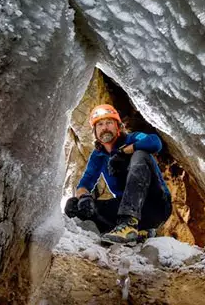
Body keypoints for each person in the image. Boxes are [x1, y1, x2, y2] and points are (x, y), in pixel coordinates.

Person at [64, 104, 172, 244]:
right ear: (95, 131)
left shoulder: (133, 138)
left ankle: (129, 225)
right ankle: (138, 232)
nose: (105, 128)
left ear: (118, 126)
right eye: (100, 124)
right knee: (73, 204)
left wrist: (125, 151)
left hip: (155, 206)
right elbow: (85, 183)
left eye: (109, 122)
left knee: (140, 155)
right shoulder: (99, 156)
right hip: (123, 206)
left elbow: (155, 142)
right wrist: (84, 197)